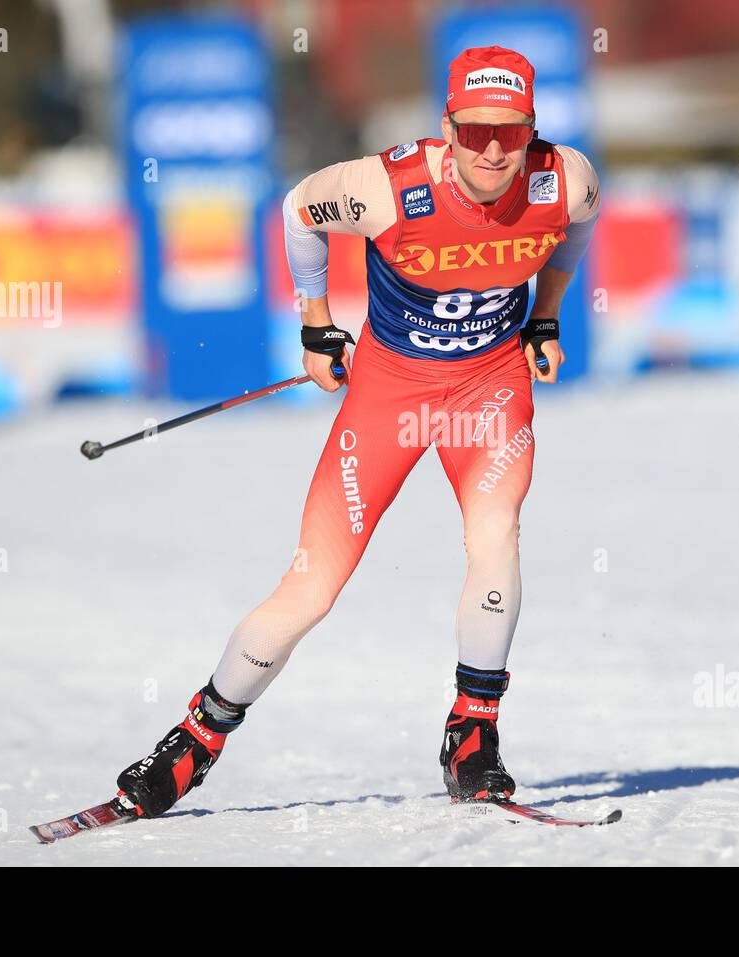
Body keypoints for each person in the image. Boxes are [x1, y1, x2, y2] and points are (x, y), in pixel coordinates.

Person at [114, 45, 601, 816]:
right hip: (389, 394)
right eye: (474, 132)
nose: (494, 150)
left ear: (532, 129)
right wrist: (315, 324)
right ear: (448, 128)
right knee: (311, 588)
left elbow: (573, 227)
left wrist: (546, 311)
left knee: (495, 537)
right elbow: (299, 208)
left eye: (510, 131)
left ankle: (474, 734)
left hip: (488, 388)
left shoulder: (563, 178)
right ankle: (196, 738)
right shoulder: (389, 187)